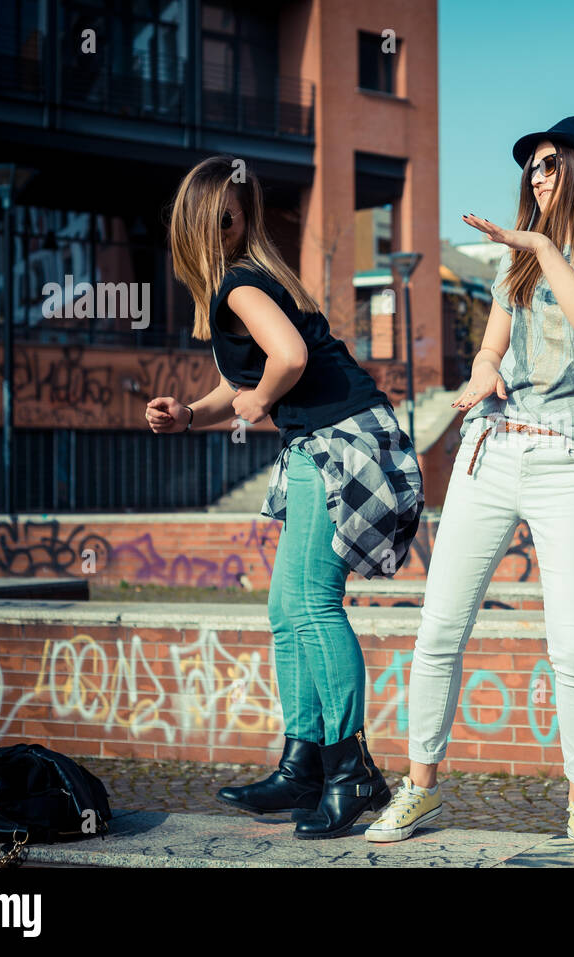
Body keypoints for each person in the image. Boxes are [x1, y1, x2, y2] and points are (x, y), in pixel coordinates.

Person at [362, 117, 574, 851]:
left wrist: (546, 250)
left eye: (551, 163)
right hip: (491, 451)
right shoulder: (517, 265)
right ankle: (421, 788)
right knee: (438, 628)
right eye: (530, 167)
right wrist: (482, 371)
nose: (535, 176)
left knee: (573, 643)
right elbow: (492, 346)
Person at [148, 155, 423, 840]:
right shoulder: (247, 284)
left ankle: (348, 768)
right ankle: (304, 762)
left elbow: (289, 360)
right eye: (216, 213)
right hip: (329, 441)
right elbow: (247, 379)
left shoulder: (240, 285)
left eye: (230, 212)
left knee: (311, 603)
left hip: (339, 442)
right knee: (285, 607)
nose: (224, 223)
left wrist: (260, 401)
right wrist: (189, 413)